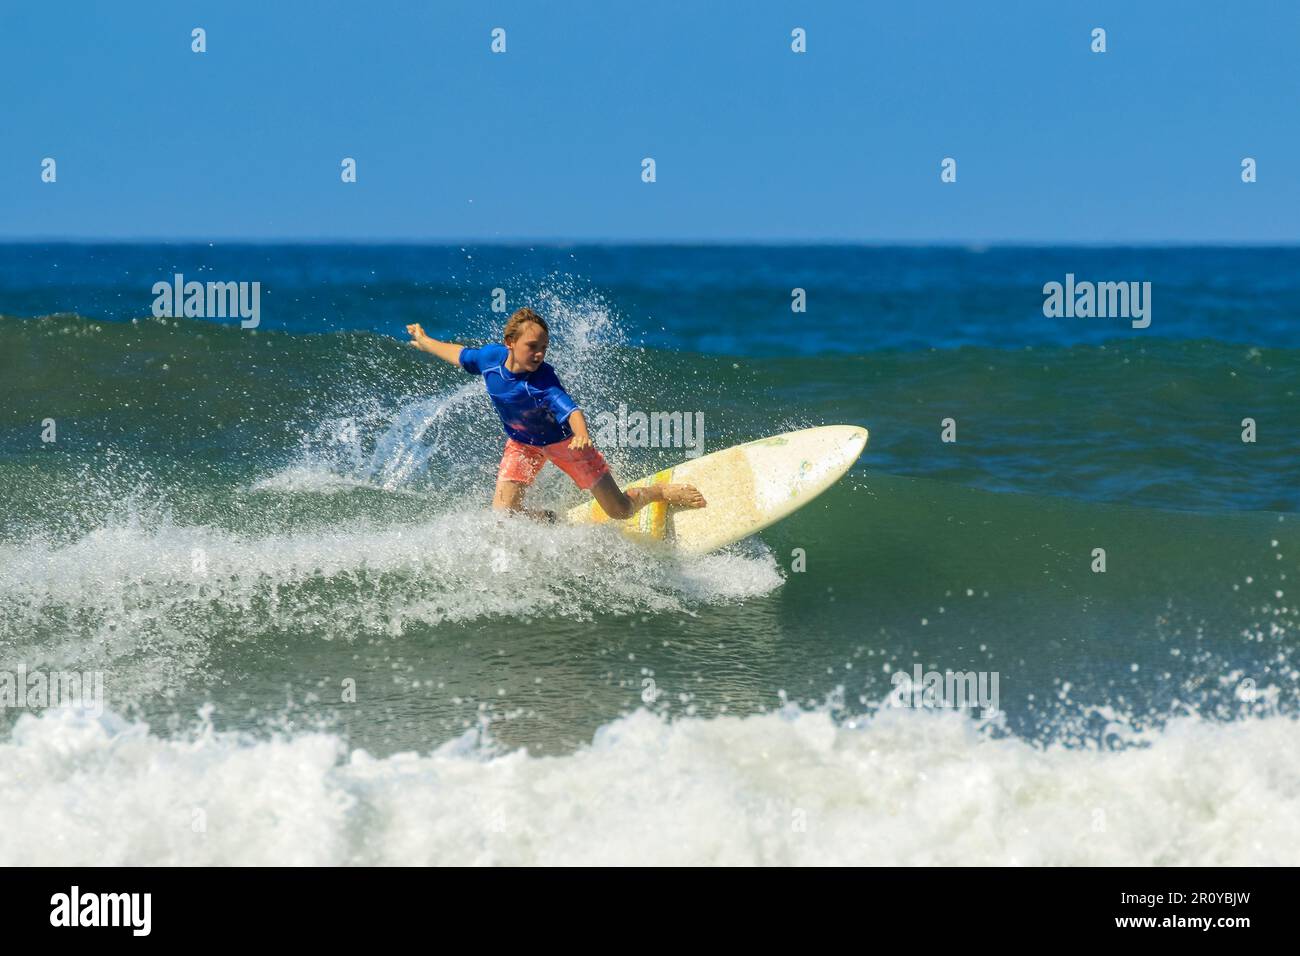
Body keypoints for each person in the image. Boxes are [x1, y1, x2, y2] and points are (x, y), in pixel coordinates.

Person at [406, 307, 706, 522]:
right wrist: (425, 341)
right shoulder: (489, 359)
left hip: (565, 444)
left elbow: (570, 408)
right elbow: (459, 355)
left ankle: (658, 492)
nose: (539, 354)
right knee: (504, 516)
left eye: (544, 348)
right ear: (510, 343)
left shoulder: (542, 381)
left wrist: (582, 434)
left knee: (619, 512)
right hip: (522, 444)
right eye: (532, 346)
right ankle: (549, 520)